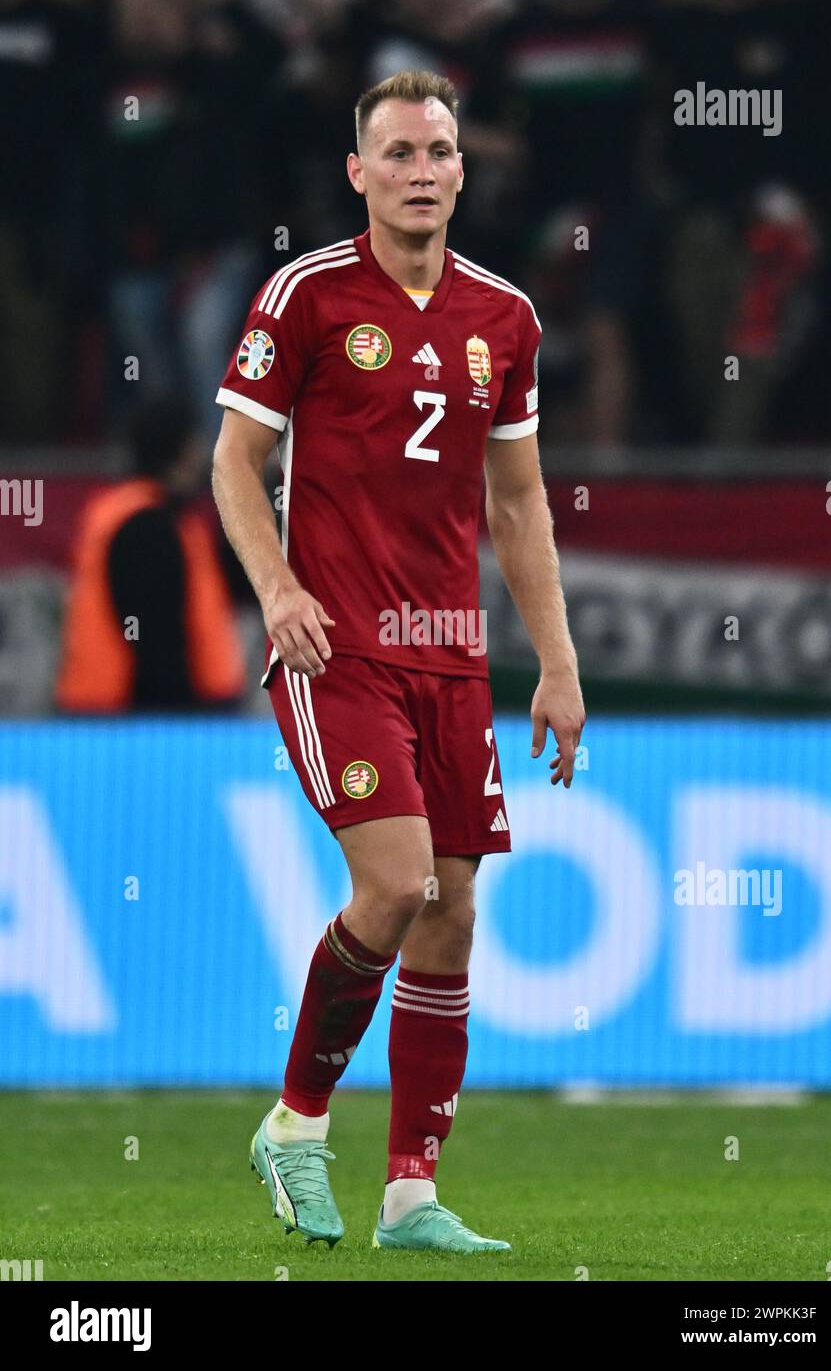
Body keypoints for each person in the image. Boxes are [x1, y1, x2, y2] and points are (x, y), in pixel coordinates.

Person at [212, 69, 585, 1253]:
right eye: (398, 153)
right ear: (357, 174)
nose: (421, 171)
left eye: (438, 152)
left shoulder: (505, 319)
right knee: (393, 882)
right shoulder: (306, 295)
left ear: (463, 171)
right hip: (336, 646)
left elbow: (518, 505)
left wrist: (558, 663)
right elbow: (232, 463)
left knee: (452, 907)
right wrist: (276, 591)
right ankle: (294, 1124)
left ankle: (411, 1196)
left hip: (450, 656)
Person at [56, 393, 246, 712]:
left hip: (116, 719)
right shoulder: (147, 528)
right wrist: (181, 723)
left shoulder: (163, 518)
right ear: (182, 450)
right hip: (133, 726)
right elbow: (157, 645)